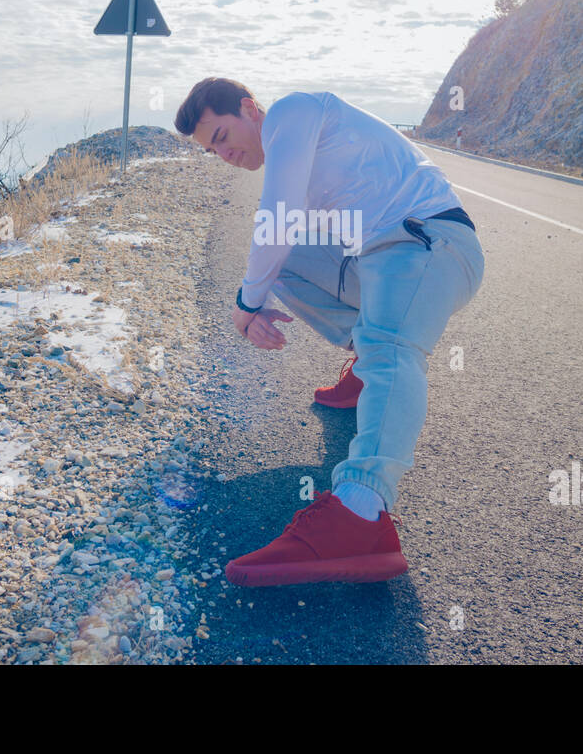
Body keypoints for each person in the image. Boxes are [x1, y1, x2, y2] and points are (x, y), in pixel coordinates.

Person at [174, 78, 485, 586]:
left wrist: (245, 307)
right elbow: (282, 238)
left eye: (223, 135)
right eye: (212, 150)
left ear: (251, 109)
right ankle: (366, 359)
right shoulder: (297, 162)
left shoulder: (294, 111)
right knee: (287, 259)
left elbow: (275, 215)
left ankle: (362, 510)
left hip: (430, 241)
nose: (223, 153)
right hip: (379, 254)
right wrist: (260, 294)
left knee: (392, 350)